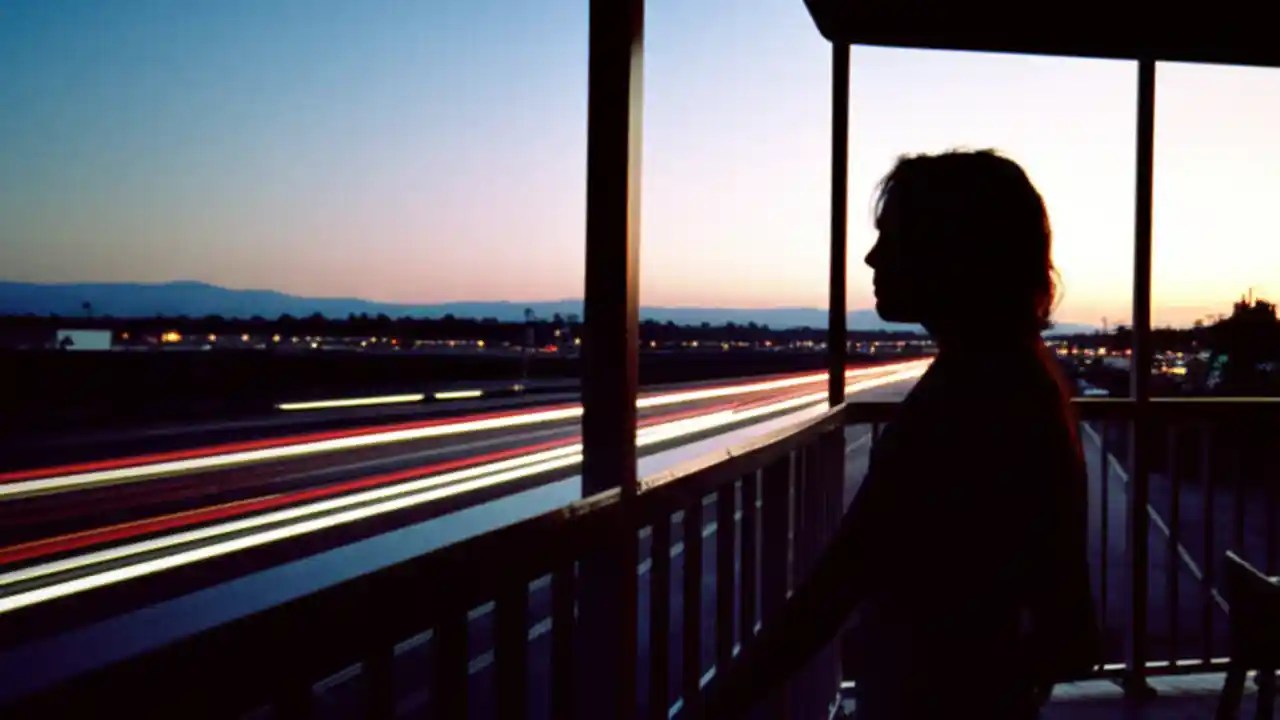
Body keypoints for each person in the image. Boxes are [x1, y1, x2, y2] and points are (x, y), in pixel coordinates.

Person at [698, 149, 1099, 719]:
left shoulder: (970, 394)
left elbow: (838, 580)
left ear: (953, 250)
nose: (872, 255)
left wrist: (716, 704)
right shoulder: (1016, 373)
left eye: (894, 236)